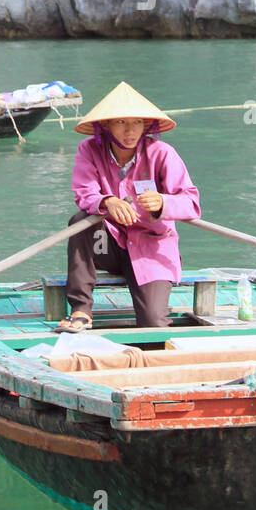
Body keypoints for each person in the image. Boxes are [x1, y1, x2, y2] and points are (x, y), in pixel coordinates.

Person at [59, 81, 200, 332]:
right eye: (121, 122)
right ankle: (81, 308)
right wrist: (107, 201)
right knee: (79, 220)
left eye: (137, 122)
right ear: (106, 125)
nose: (130, 131)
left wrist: (162, 203)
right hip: (108, 245)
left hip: (151, 248)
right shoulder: (89, 149)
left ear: (146, 125)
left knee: (153, 323)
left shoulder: (162, 153)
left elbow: (190, 202)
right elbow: (84, 192)